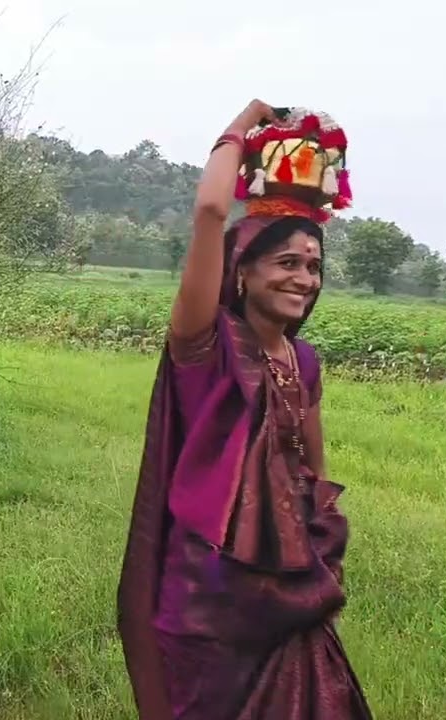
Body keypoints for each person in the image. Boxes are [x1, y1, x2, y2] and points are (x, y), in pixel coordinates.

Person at [116, 100, 372, 720]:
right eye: (287, 263)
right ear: (242, 270)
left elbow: (311, 471)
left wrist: (314, 552)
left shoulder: (302, 361)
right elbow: (210, 208)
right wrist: (246, 119)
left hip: (286, 587)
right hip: (208, 589)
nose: (305, 278)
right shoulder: (204, 344)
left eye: (313, 266)